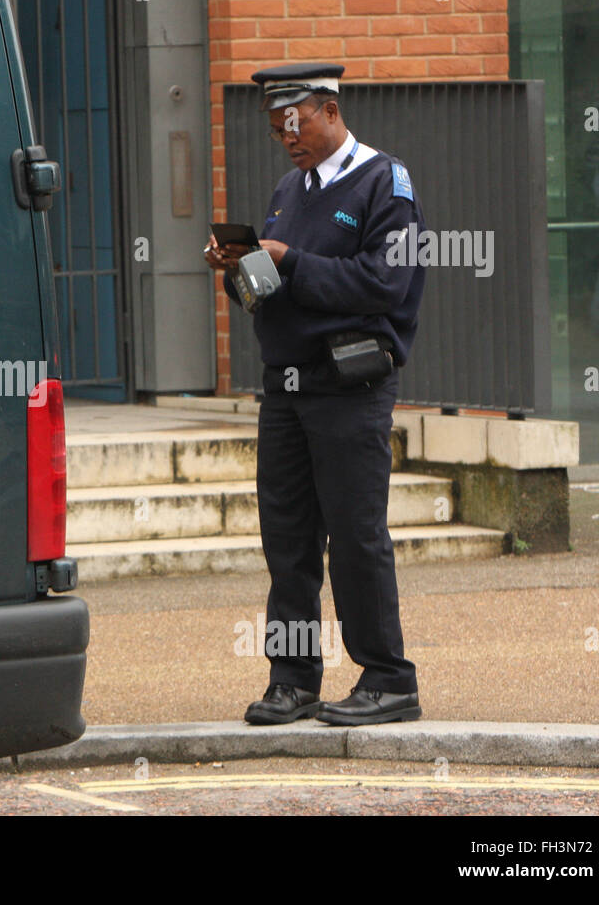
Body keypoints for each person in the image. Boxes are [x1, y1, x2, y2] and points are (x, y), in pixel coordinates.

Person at [204, 63, 427, 725]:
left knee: (357, 535)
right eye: (277, 130)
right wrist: (237, 271)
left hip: (348, 387)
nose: (286, 139)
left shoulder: (385, 185)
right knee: (289, 541)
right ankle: (294, 678)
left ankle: (388, 678)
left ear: (329, 109)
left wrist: (288, 260)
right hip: (287, 389)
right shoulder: (288, 189)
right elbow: (266, 291)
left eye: (294, 125)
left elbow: (386, 285)